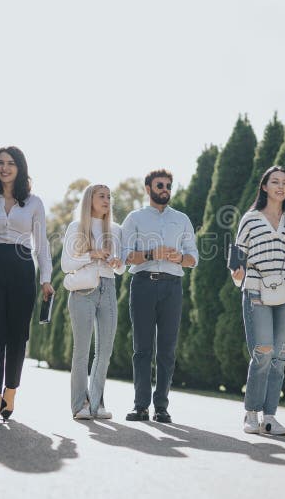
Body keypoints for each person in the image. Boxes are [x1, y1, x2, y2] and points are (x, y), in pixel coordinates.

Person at [0, 146, 54, 423]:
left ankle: (11, 391)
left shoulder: (34, 202)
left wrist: (46, 280)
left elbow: (42, 246)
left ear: (20, 168)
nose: (4, 168)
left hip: (21, 267)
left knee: (18, 337)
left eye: (10, 163)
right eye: (0, 163)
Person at [230, 166, 285, 436]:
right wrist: (237, 272)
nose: (280, 187)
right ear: (264, 187)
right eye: (274, 182)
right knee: (263, 352)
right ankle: (250, 413)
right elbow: (238, 256)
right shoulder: (250, 219)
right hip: (255, 291)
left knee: (280, 356)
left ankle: (270, 417)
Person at [121, 169, 198, 423]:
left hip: (172, 287)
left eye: (168, 185)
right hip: (142, 284)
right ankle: (140, 406)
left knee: (167, 350)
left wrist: (179, 258)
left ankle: (161, 407)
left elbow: (193, 258)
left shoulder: (182, 219)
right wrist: (152, 254)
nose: (165, 189)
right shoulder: (135, 218)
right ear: (148, 188)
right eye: (160, 185)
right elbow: (125, 256)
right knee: (142, 349)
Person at [62, 184, 125, 420]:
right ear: (90, 199)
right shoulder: (76, 227)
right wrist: (93, 255)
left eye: (109, 196)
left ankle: (97, 404)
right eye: (102, 196)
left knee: (105, 351)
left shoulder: (116, 230)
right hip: (82, 291)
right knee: (81, 351)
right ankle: (80, 405)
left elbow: (122, 268)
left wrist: (118, 264)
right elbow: (66, 265)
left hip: (108, 289)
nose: (107, 200)